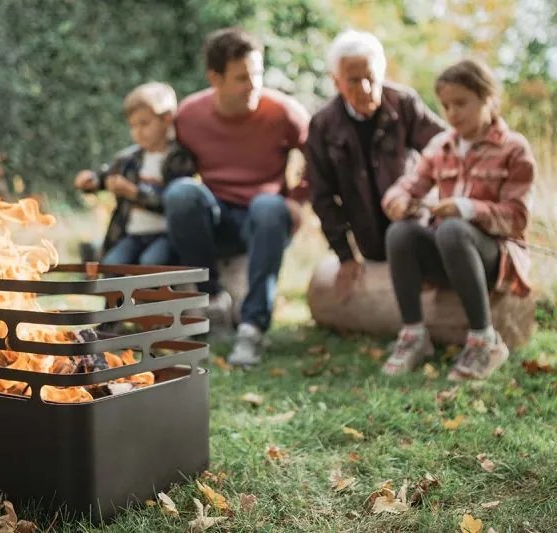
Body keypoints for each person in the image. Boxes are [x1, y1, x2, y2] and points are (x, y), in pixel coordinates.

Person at [381, 58, 535, 380]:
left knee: (452, 229)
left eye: (461, 103)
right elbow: (407, 185)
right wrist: (399, 202)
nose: (452, 113)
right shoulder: (441, 146)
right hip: (448, 255)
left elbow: (518, 217)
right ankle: (414, 335)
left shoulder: (514, 148)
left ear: (487, 99)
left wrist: (466, 208)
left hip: (494, 259)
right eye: (446, 105)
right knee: (400, 233)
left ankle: (484, 340)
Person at [164, 27, 309, 366]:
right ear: (215, 78)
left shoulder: (283, 112)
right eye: (242, 77)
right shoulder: (189, 115)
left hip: (264, 221)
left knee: (269, 206)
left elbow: (318, 157)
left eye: (257, 74)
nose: (253, 85)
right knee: (182, 193)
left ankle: (251, 329)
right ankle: (212, 300)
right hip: (216, 218)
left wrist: (298, 198)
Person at [306, 30, 445, 302]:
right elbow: (321, 197)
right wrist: (345, 256)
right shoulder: (322, 125)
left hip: (415, 227)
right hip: (368, 237)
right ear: (336, 82)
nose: (365, 89)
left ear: (381, 73)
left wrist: (422, 197)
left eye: (370, 78)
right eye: (353, 81)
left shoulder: (404, 103)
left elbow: (446, 150)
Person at [74, 82, 196, 265]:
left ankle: (148, 294)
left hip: (165, 236)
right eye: (133, 126)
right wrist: (90, 181)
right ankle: (115, 295)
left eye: (144, 124)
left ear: (167, 119)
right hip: (132, 235)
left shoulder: (179, 159)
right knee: (112, 264)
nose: (138, 132)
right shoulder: (128, 159)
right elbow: (105, 177)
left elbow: (174, 202)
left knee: (150, 263)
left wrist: (134, 193)